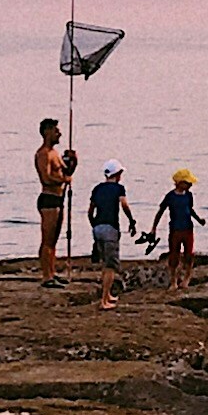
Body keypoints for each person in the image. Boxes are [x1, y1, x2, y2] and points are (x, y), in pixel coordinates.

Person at [84, 163, 136, 306]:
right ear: (117, 174)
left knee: (104, 263)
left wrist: (94, 225)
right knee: (110, 266)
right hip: (110, 228)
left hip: (98, 228)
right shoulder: (119, 188)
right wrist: (132, 221)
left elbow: (90, 212)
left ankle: (107, 295)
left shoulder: (97, 189)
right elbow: (124, 205)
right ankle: (104, 300)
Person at [33, 119, 74, 286]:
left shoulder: (55, 153)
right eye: (56, 131)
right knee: (47, 240)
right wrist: (63, 179)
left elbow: (67, 171)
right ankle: (46, 277)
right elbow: (46, 177)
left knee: (55, 240)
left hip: (59, 198)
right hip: (48, 199)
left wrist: (73, 161)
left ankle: (52, 272)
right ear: (47, 131)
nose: (59, 134)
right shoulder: (43, 154)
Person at [154, 167, 202, 288]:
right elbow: (160, 211)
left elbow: (190, 210)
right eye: (187, 182)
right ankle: (173, 280)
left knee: (189, 254)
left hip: (188, 228)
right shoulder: (170, 196)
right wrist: (154, 228)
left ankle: (187, 278)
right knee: (174, 255)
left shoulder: (189, 196)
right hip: (175, 229)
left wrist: (199, 219)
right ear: (180, 183)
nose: (190, 185)